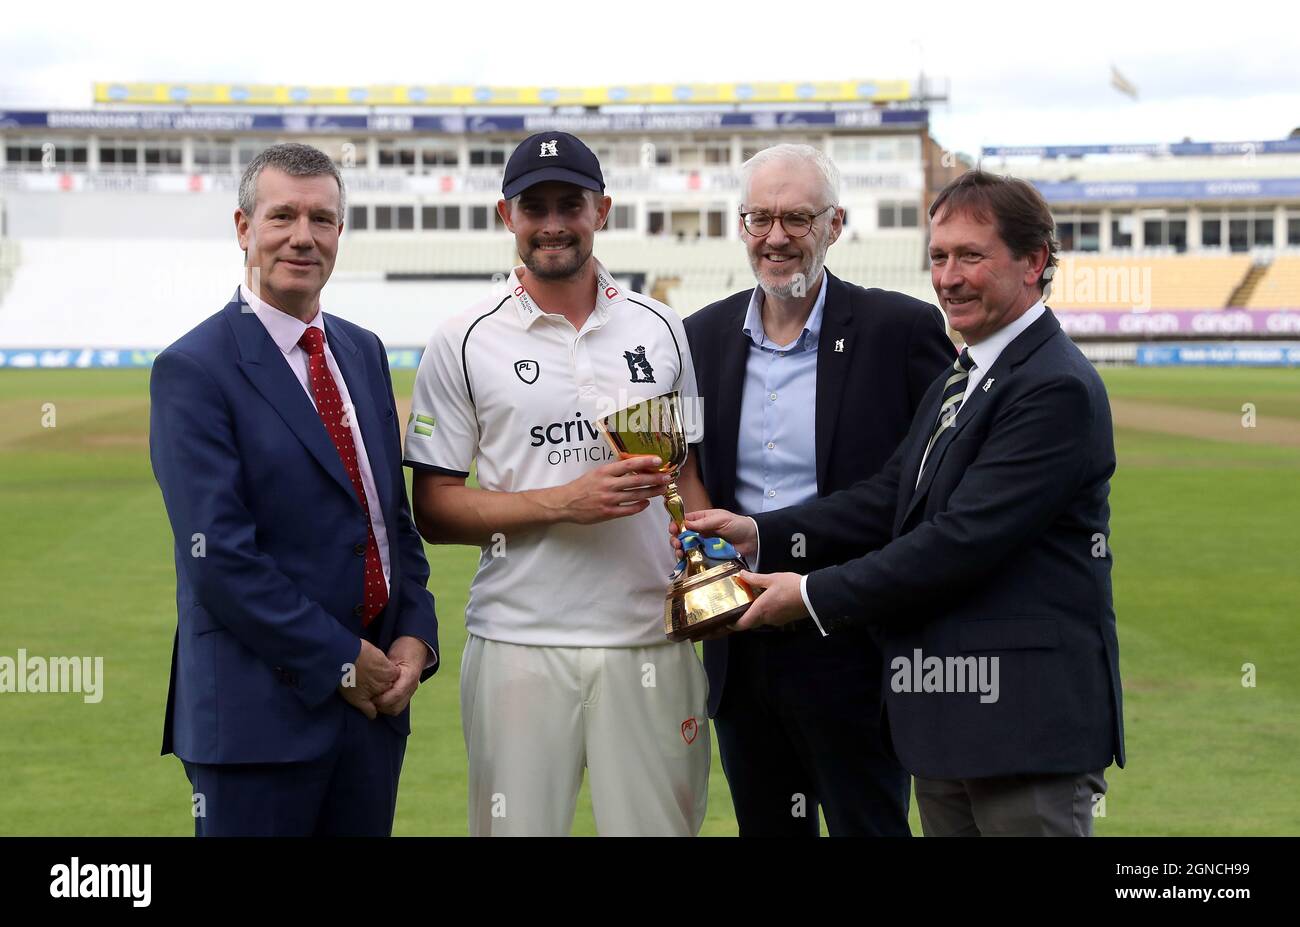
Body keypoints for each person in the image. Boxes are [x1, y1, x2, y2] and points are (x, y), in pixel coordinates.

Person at [684, 170, 1125, 836]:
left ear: (1034, 262)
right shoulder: (971, 372)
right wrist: (757, 532)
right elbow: (891, 493)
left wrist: (807, 594)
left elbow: (958, 541)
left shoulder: (1052, 386)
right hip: (948, 723)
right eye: (939, 256)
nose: (948, 276)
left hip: (1022, 727)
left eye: (970, 256)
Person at [405, 132, 711, 836]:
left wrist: (709, 568)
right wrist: (564, 503)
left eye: (568, 203)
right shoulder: (463, 337)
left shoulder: (661, 326)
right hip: (519, 639)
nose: (551, 223)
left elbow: (685, 470)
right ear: (504, 216)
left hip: (649, 638)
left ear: (601, 209)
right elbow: (435, 506)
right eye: (533, 205)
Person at [149, 142, 440, 836]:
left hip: (372, 719)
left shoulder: (362, 351)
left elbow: (388, 522)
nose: (302, 236)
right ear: (245, 228)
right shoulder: (194, 368)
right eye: (282, 216)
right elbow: (218, 557)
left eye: (322, 218)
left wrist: (413, 638)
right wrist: (343, 661)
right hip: (259, 728)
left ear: (341, 233)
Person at [683, 143, 953, 836]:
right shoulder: (700, 338)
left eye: (797, 219)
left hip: (851, 645)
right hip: (741, 651)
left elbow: (930, 485)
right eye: (760, 218)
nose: (777, 237)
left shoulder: (901, 330)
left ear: (835, 225)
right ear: (741, 226)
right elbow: (684, 479)